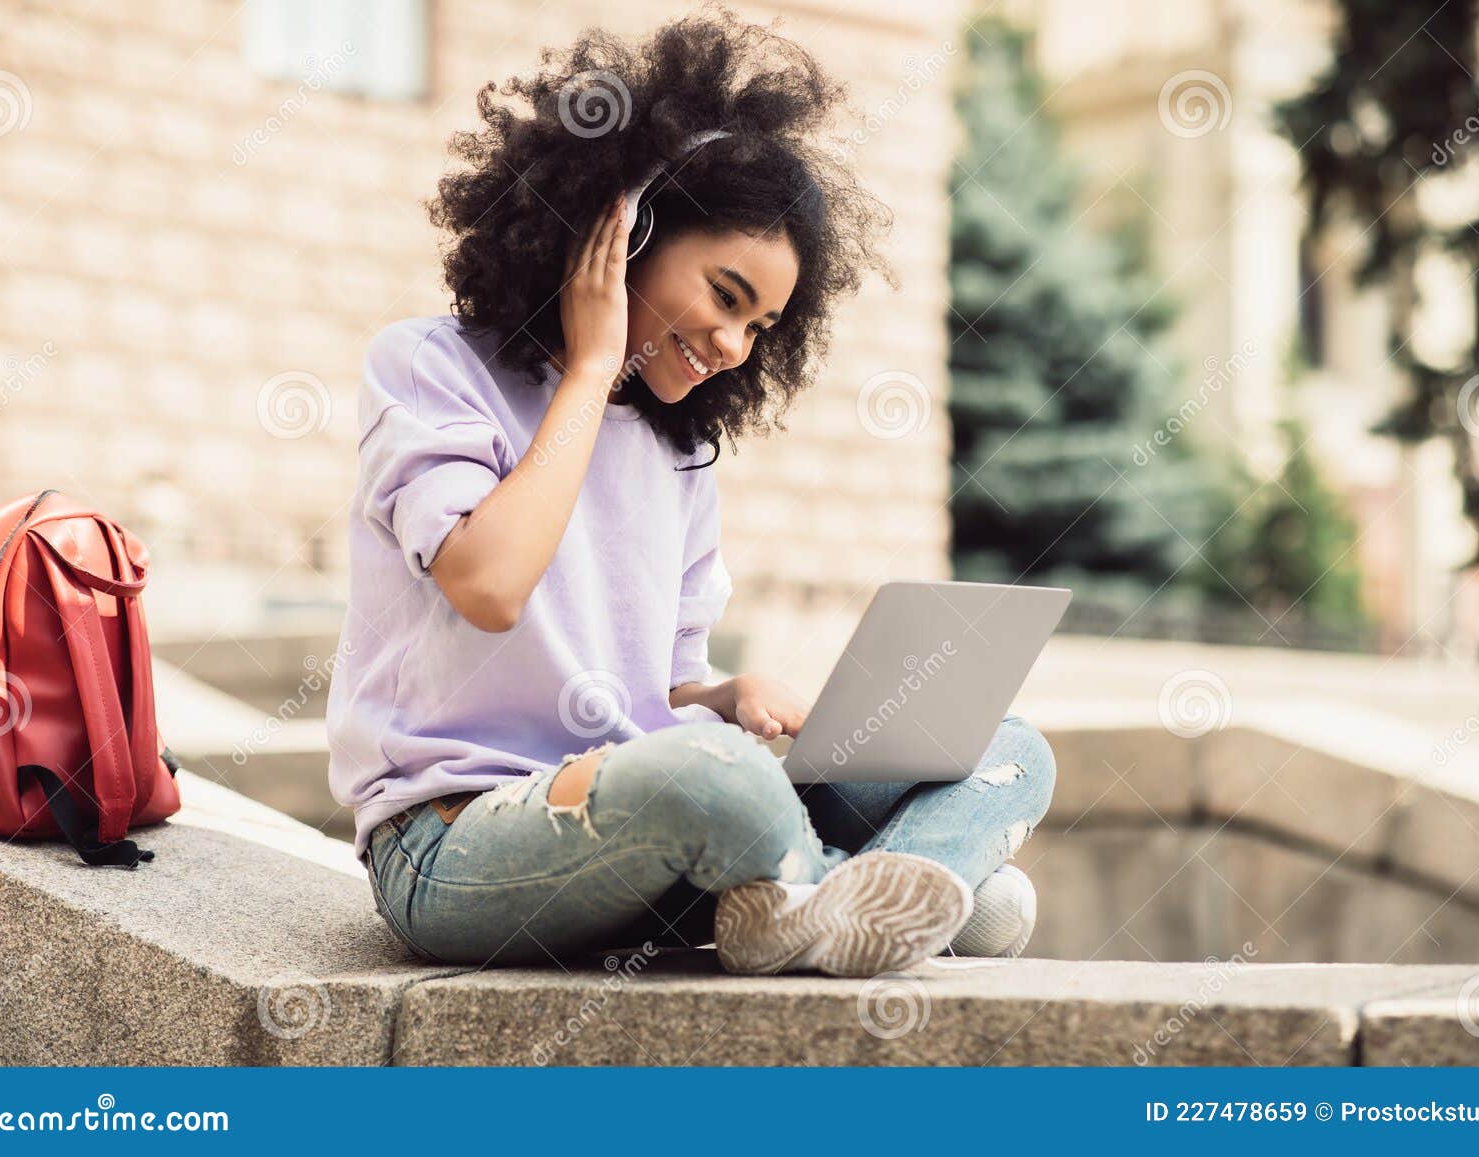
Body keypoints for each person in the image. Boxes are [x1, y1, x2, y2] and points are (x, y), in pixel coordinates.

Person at [324, 6, 1058, 977]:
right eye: (723, 295)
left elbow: (655, 691)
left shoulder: (678, 451)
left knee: (1009, 748)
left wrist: (727, 691)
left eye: (759, 326)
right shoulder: (430, 367)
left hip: (663, 804)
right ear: (623, 233)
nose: (730, 347)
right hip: (462, 838)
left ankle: (815, 897)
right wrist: (591, 369)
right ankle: (852, 888)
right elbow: (489, 584)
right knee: (730, 785)